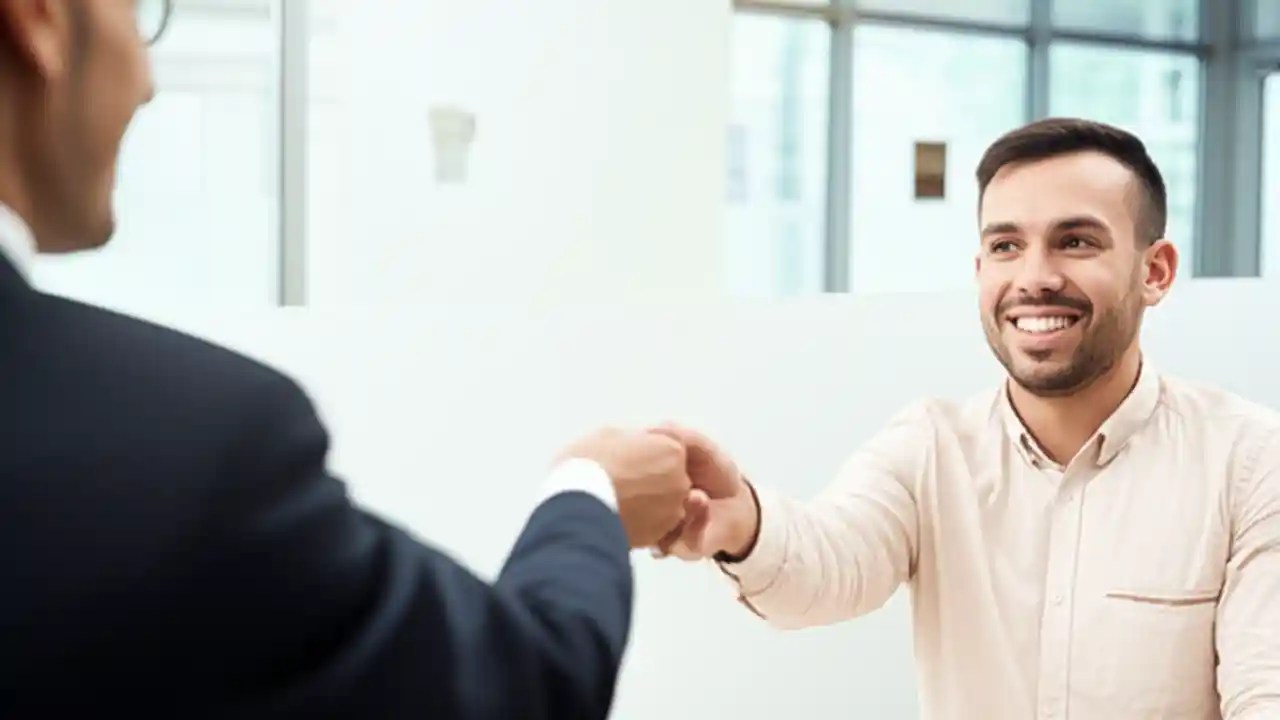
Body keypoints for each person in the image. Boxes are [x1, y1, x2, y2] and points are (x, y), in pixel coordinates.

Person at [0, 1, 719, 716]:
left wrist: (749, 529)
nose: (149, 80)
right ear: (39, 19)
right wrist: (591, 497)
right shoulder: (195, 451)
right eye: (135, 8)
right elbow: (527, 687)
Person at [655, 118, 1280, 719]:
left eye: (1076, 241)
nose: (1035, 278)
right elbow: (828, 565)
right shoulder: (928, 447)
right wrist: (745, 522)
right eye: (1007, 245)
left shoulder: (1249, 461)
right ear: (981, 271)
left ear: (1155, 271)